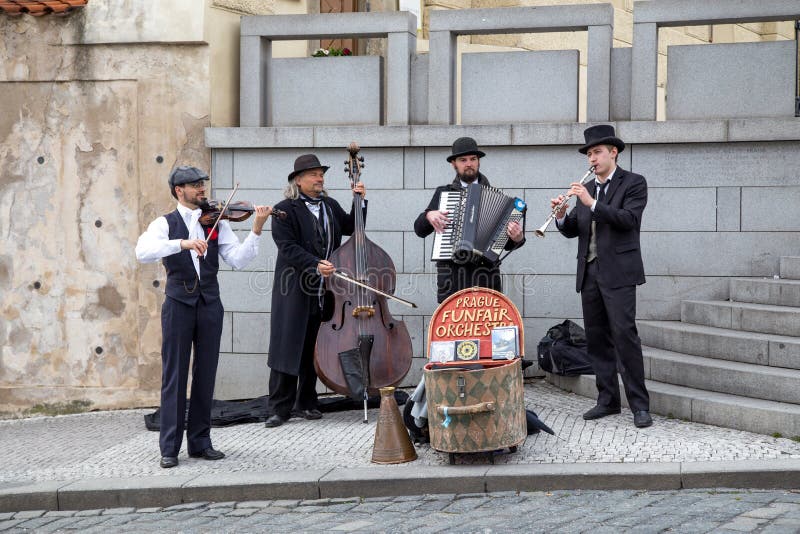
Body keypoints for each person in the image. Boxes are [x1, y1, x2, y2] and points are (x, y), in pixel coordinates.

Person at [136, 165, 272, 468]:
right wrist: (182, 243)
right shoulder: (165, 223)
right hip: (178, 304)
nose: (201, 189)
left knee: (206, 372)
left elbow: (237, 259)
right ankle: (169, 447)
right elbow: (142, 251)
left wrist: (257, 229)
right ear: (178, 191)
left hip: (210, 302)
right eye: (194, 185)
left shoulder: (217, 221)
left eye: (202, 184)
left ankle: (200, 442)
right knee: (175, 374)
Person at [551, 124, 652, 428]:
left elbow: (629, 220)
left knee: (625, 337)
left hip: (620, 273)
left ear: (613, 153)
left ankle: (639, 406)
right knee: (597, 340)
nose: (591, 159)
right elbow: (574, 229)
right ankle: (607, 400)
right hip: (590, 272)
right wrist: (559, 216)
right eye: (588, 154)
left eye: (596, 152)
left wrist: (592, 203)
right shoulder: (588, 189)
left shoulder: (634, 183)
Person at [264, 154, 366, 428]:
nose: (319, 178)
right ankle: (279, 408)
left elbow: (352, 229)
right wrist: (313, 264)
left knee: (314, 345)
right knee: (288, 346)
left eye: (321, 173)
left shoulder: (330, 205)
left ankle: (307, 402)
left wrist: (360, 203)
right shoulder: (284, 209)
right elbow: (287, 246)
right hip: (294, 289)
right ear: (297, 180)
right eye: (313, 174)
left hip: (327, 289)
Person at [413, 137, 525, 303]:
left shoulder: (497, 197)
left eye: (473, 159)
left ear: (479, 162)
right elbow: (419, 230)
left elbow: (504, 244)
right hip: (453, 281)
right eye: (463, 160)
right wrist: (428, 215)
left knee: (486, 328)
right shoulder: (444, 193)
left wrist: (517, 238)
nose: (469, 164)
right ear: (454, 164)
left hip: (485, 279)